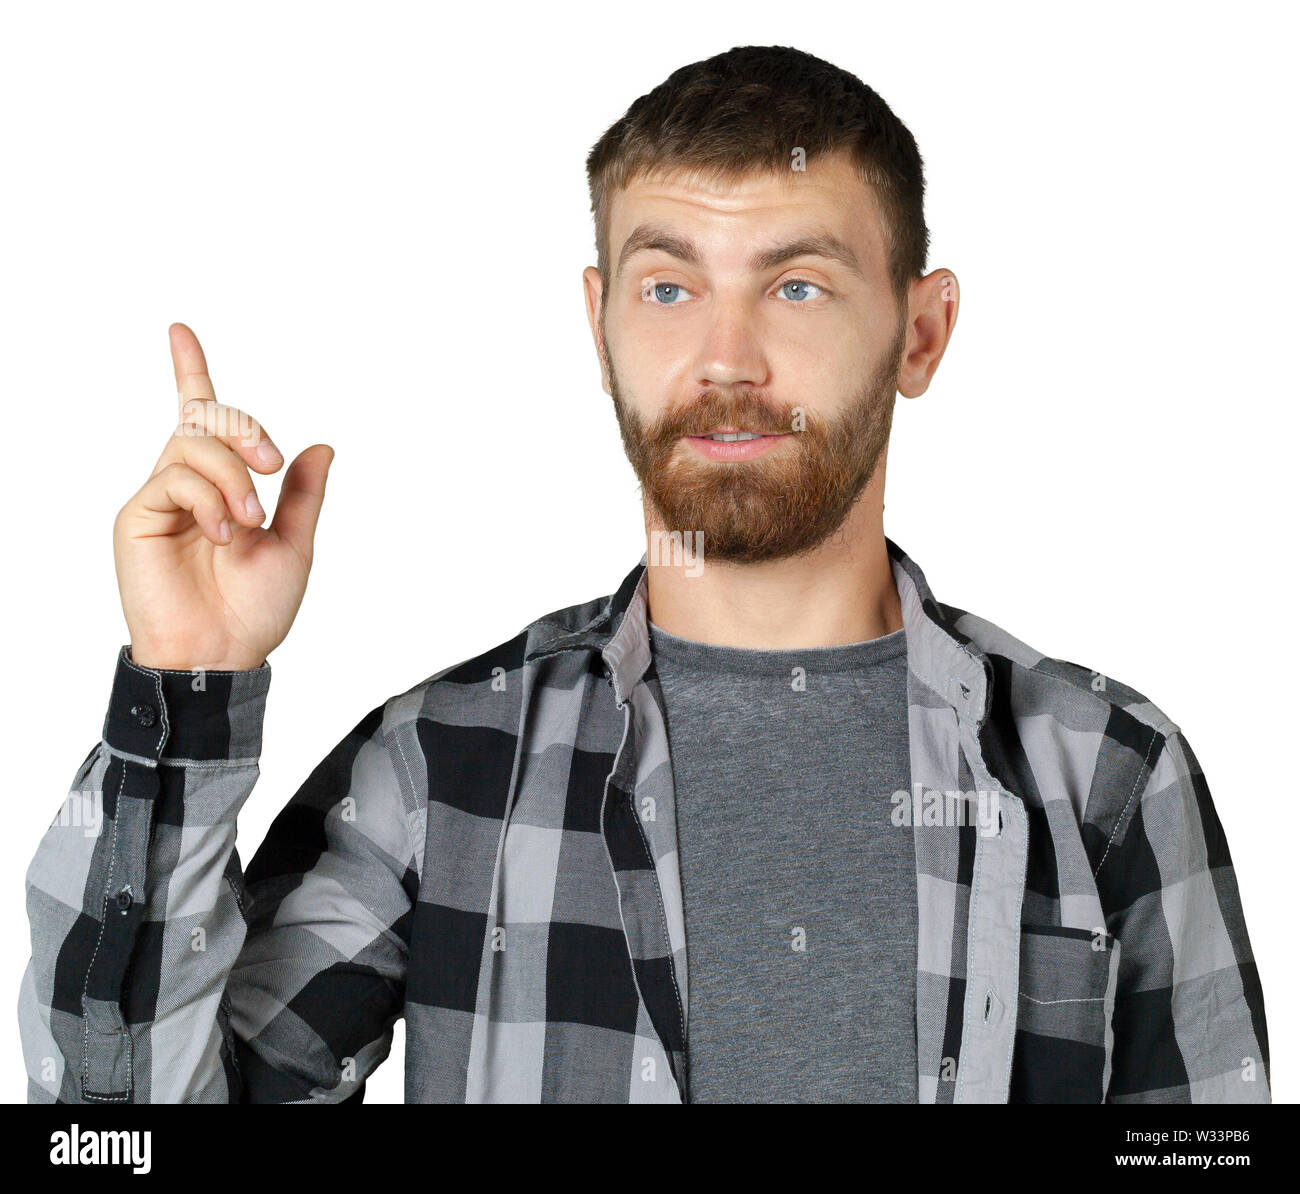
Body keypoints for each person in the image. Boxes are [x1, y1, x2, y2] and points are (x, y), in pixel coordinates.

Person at [20, 44, 1269, 1103]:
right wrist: (184, 693)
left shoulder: (1107, 775)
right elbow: (109, 1134)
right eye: (668, 286)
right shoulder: (444, 768)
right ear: (600, 320)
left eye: (796, 283)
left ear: (920, 332)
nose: (725, 358)